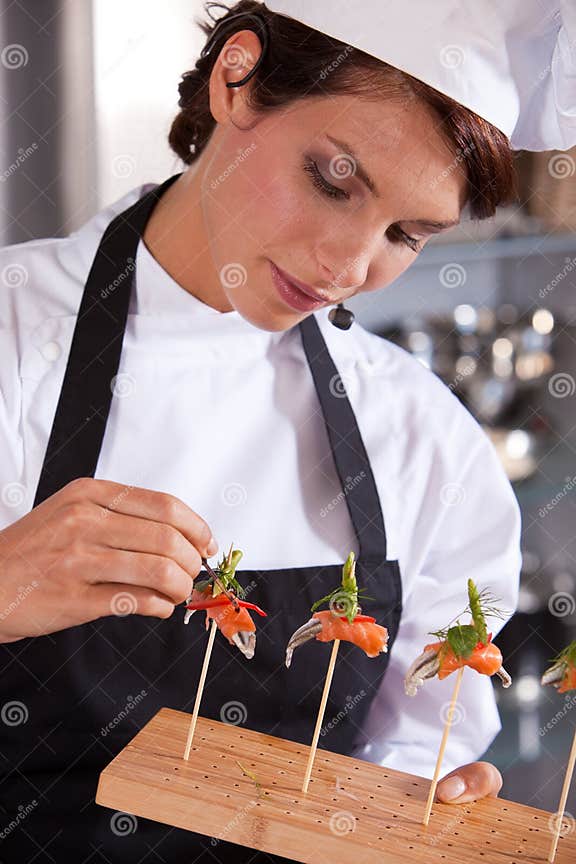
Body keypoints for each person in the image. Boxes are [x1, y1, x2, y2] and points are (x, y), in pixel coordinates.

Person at [0, 0, 573, 860]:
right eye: (333, 180)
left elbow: (422, 738)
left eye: (405, 235)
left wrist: (417, 801)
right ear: (238, 77)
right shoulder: (11, 335)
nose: (348, 267)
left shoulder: (421, 441)